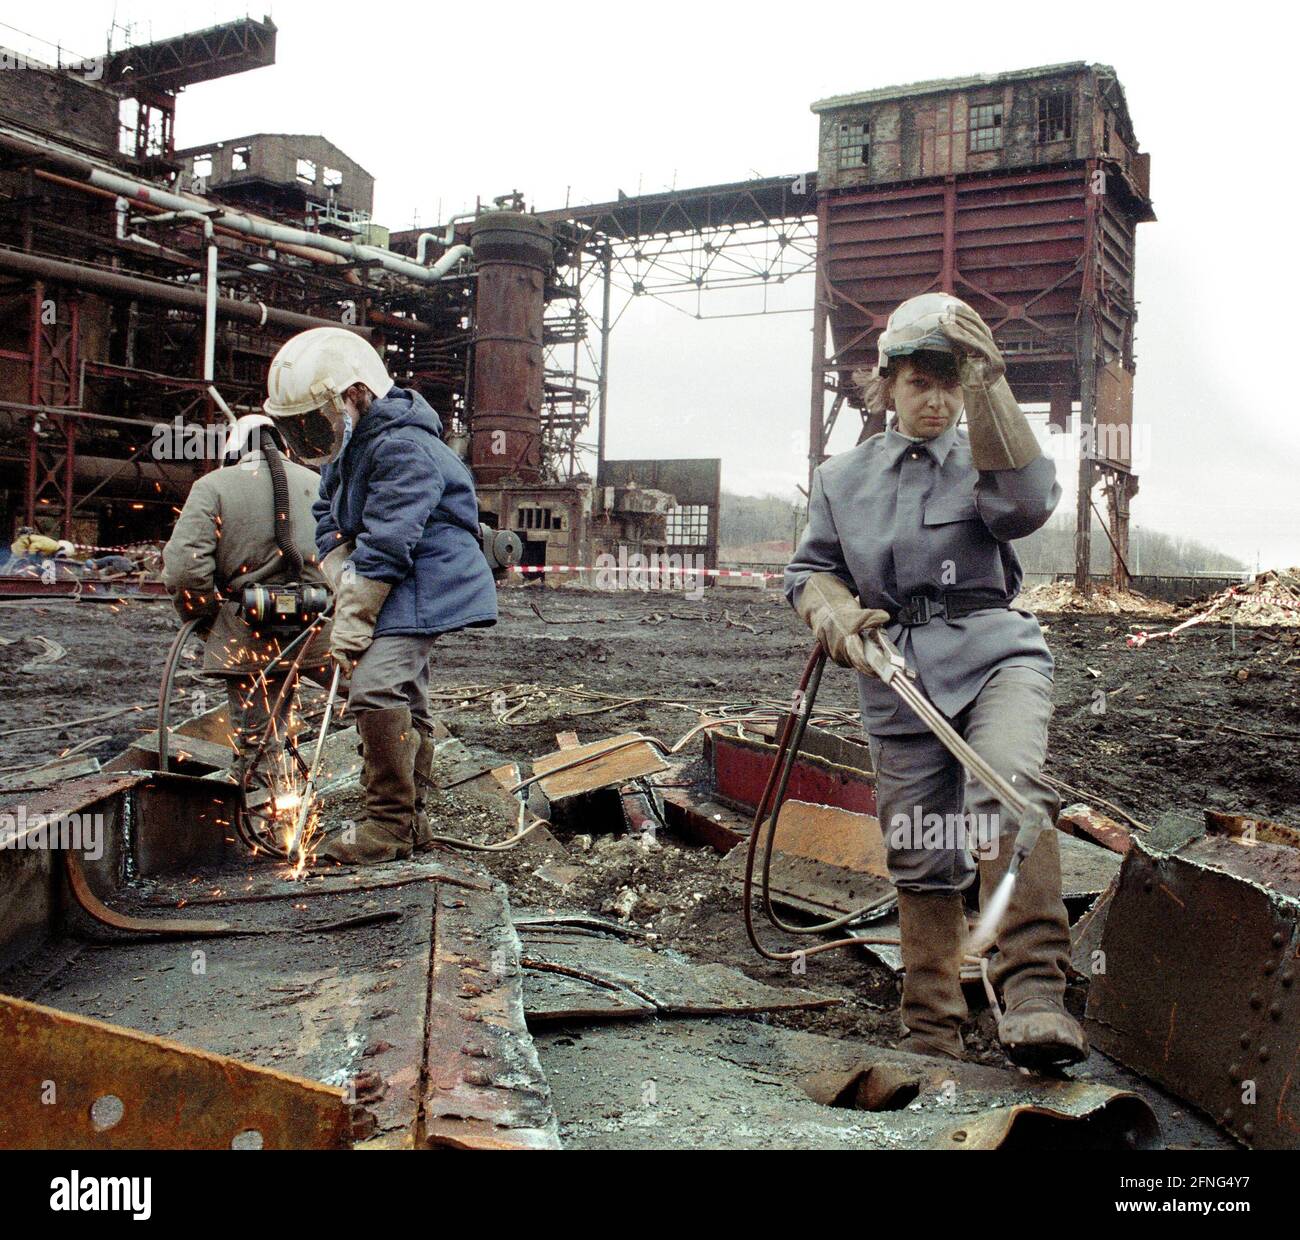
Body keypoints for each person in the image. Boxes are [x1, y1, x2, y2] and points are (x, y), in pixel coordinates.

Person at [785, 292, 1087, 1070]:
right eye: (922, 383)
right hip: (897, 673)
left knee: (1007, 790)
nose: (937, 400)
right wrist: (837, 618)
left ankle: (1033, 997)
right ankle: (932, 1034)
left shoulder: (990, 458)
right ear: (886, 383)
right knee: (921, 853)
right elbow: (811, 572)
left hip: (996, 657)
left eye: (952, 384)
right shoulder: (840, 477)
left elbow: (1027, 505)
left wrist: (991, 388)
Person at [263, 327, 497, 865]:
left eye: (317, 417)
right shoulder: (352, 447)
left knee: (372, 690)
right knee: (404, 696)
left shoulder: (405, 446)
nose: (312, 435)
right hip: (389, 577)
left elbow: (391, 538)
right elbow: (326, 516)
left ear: (358, 393)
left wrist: (357, 609)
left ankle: (386, 826)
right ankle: (411, 824)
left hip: (425, 580)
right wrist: (340, 571)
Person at [162, 413, 332, 807]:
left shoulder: (214, 486)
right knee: (370, 701)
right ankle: (391, 797)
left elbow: (185, 571)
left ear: (234, 449)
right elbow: (344, 555)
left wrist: (206, 619)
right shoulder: (320, 485)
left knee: (260, 743)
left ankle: (270, 820)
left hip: (249, 633)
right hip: (319, 627)